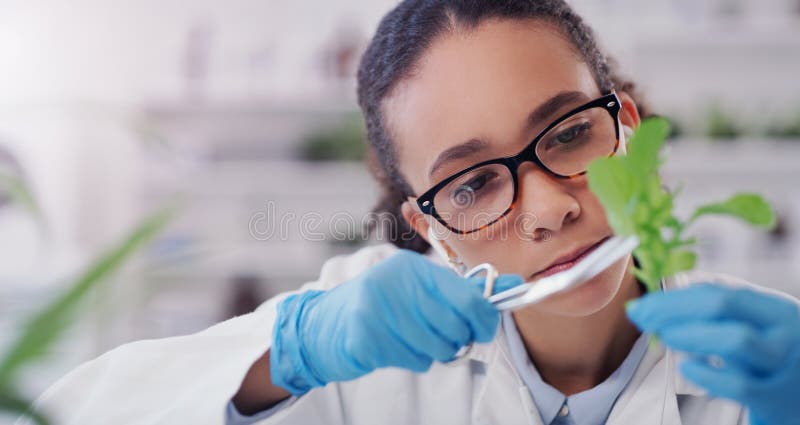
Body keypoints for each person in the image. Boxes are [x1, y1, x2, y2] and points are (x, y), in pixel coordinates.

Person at [22, 1, 800, 424]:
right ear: (428, 229)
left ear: (625, 126)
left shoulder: (771, 358)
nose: (550, 207)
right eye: (471, 185)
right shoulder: (347, 348)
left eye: (569, 134)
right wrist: (280, 362)